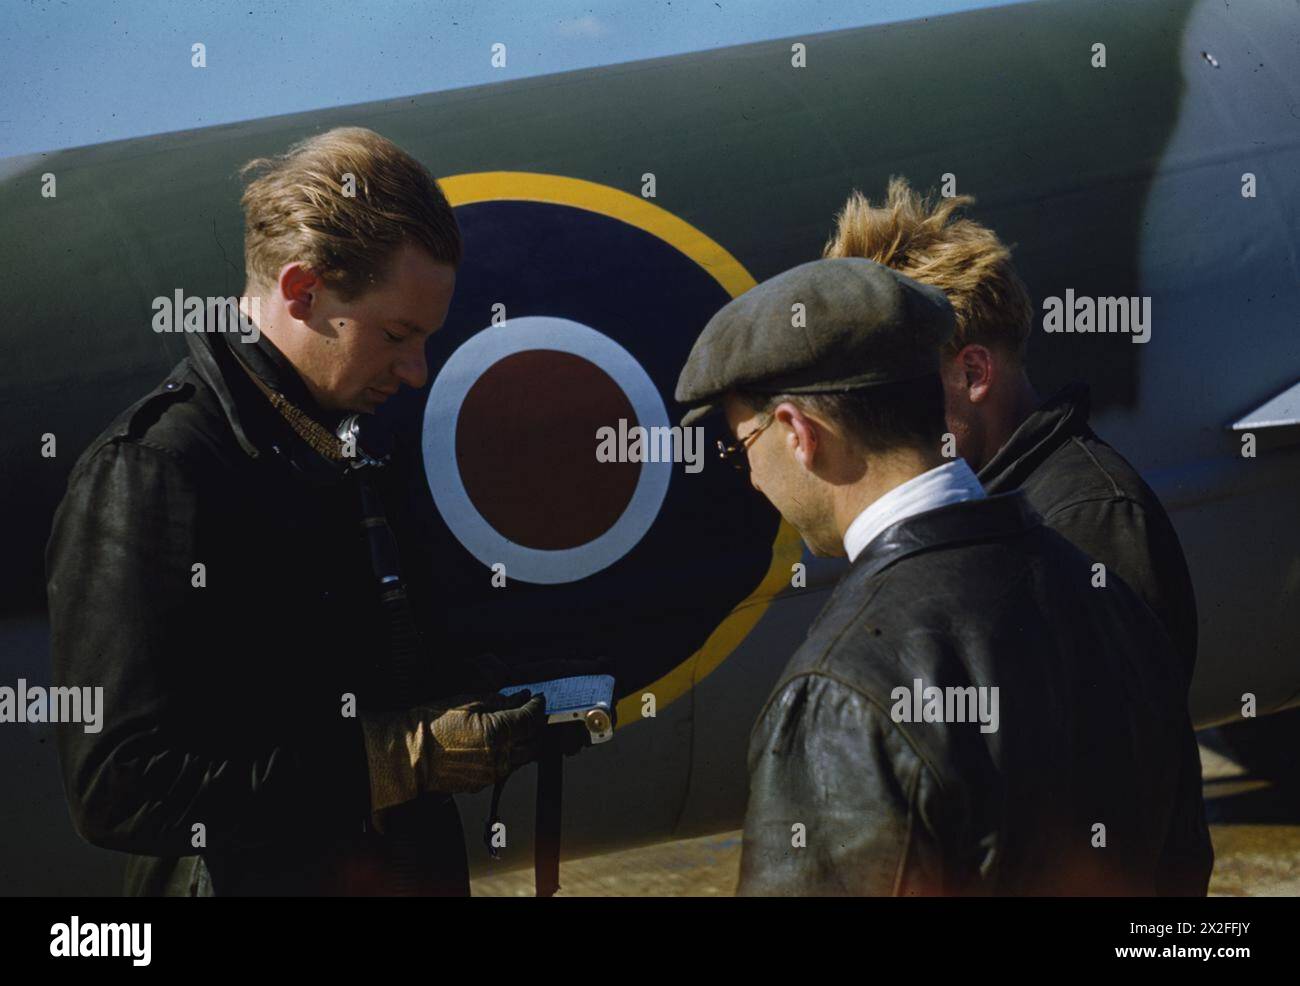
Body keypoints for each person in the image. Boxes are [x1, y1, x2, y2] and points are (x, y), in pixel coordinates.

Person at [47, 127, 547, 896]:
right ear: (302, 291)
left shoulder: (320, 439)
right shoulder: (155, 469)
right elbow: (122, 786)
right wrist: (394, 762)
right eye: (397, 336)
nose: (417, 373)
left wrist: (480, 708)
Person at [675, 257, 1212, 895]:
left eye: (740, 449)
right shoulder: (1108, 596)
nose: (753, 479)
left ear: (797, 432)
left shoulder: (840, 690)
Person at [823, 178, 1199, 683]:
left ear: (974, 374)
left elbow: (1109, 746)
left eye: (893, 387)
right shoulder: (987, 504)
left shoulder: (1087, 521)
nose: (874, 416)